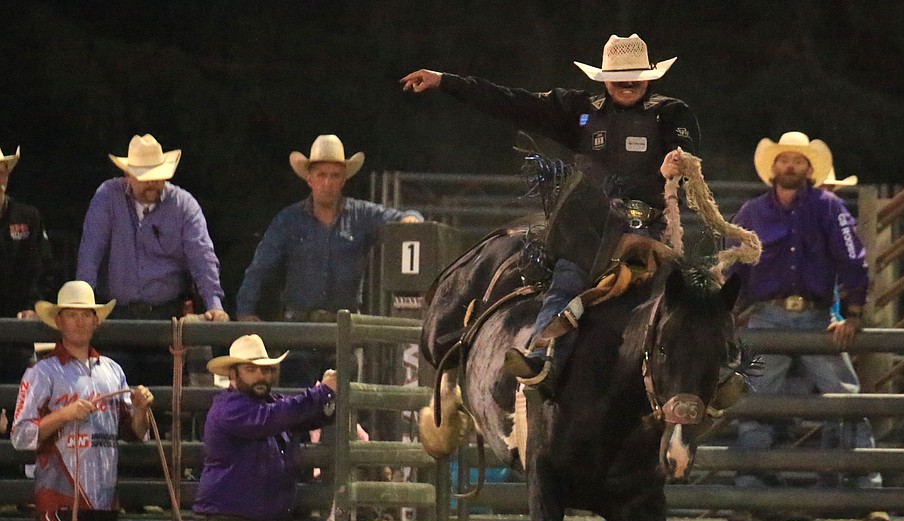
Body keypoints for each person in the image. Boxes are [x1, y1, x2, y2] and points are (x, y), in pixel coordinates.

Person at [401, 33, 699, 386]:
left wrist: (677, 162)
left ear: (648, 78)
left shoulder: (670, 113)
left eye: (634, 75)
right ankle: (543, 357)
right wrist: (445, 81)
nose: (628, 82)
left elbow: (686, 152)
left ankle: (712, 373)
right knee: (566, 282)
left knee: (687, 299)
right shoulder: (581, 111)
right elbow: (512, 101)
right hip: (589, 231)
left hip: (648, 232)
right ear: (605, 80)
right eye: (619, 76)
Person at [725, 132, 886, 521]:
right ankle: (750, 495)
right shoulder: (752, 212)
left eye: (798, 161)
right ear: (774, 167)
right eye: (785, 160)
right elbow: (732, 263)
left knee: (843, 401)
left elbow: (852, 258)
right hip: (769, 314)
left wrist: (853, 313)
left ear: (809, 169)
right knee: (758, 403)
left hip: (814, 316)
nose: (790, 166)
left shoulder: (828, 207)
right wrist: (727, 310)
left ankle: (866, 494)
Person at [10, 280, 153, 521]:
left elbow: (134, 432)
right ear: (59, 321)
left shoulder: (112, 371)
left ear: (95, 321)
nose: (78, 321)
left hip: (101, 501)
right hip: (60, 501)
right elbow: (21, 435)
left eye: (85, 314)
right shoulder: (41, 372)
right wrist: (64, 415)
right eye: (71, 315)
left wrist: (140, 409)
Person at [236, 134, 420, 385]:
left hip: (343, 330)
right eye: (321, 175)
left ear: (343, 180)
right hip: (299, 329)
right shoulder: (289, 220)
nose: (327, 182)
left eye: (334, 176)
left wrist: (410, 220)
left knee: (342, 401)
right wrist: (245, 310)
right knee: (298, 400)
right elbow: (260, 266)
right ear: (309, 179)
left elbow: (406, 217)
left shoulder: (361, 215)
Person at [192, 334, 337, 521]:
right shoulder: (230, 407)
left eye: (265, 369)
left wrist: (327, 397)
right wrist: (323, 392)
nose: (261, 375)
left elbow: (300, 415)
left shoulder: (270, 407)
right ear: (233, 375)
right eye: (251, 369)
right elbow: (275, 417)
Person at [76, 134, 227, 385]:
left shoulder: (184, 205)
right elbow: (90, 254)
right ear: (128, 175)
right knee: (113, 393)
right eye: (144, 177)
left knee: (164, 394)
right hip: (116, 315)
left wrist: (214, 304)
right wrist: (84, 305)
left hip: (166, 318)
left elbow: (202, 257)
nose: (151, 184)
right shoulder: (108, 196)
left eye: (157, 177)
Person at [0, 144, 51, 382]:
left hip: (19, 329)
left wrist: (34, 306)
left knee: (22, 395)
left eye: (2, 172)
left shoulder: (28, 217)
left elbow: (44, 268)